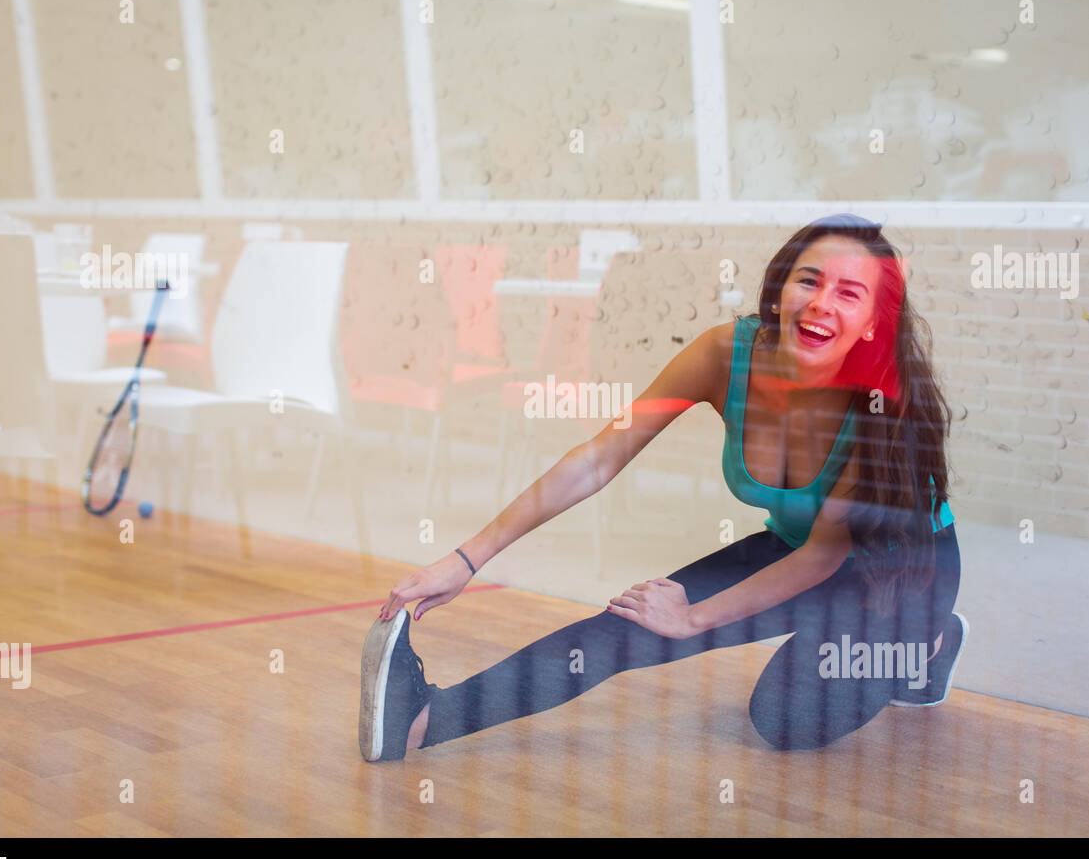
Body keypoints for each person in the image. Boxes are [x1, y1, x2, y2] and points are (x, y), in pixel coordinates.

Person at [359, 213, 966, 763]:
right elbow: (600, 458)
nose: (821, 304)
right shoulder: (726, 355)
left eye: (849, 293)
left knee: (785, 720)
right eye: (810, 281)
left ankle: (929, 643)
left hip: (900, 574)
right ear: (780, 288)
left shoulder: (882, 400)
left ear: (871, 323)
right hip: (794, 550)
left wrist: (694, 618)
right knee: (628, 628)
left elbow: (824, 555)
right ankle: (423, 720)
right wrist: (467, 558)